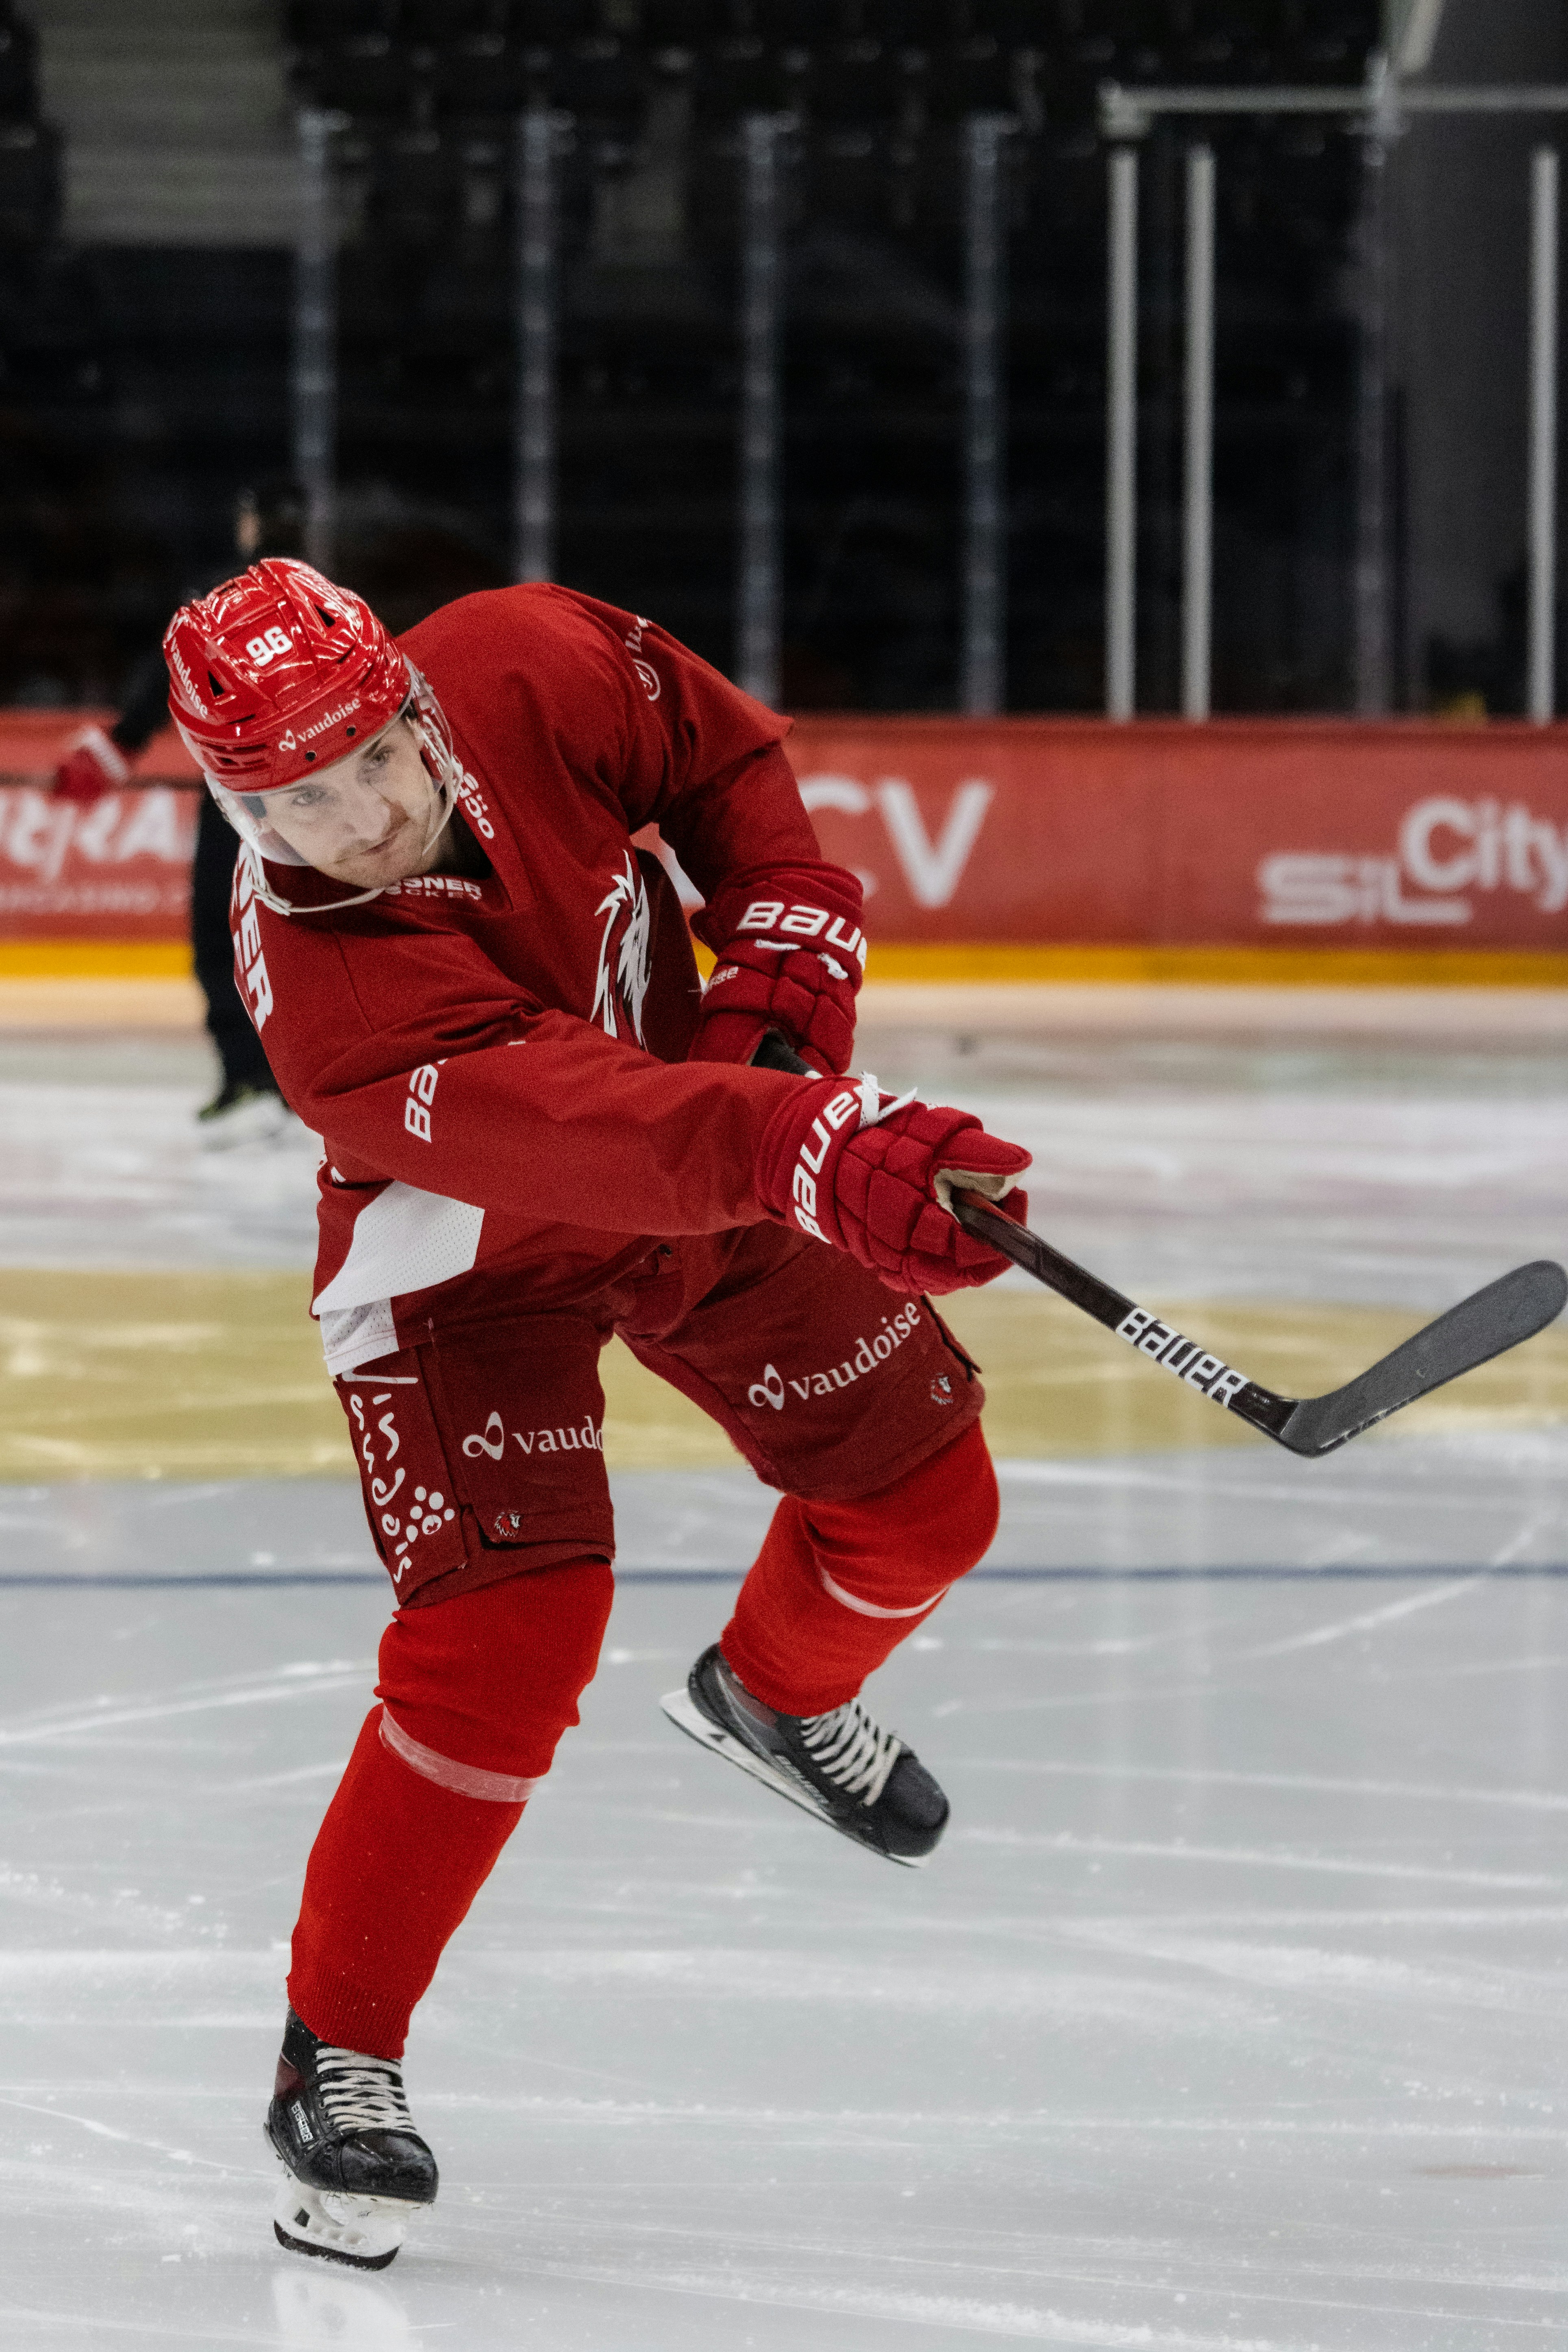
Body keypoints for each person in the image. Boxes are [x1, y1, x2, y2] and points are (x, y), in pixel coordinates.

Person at [163, 556, 1032, 2271]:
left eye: (368, 766)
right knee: (508, 1643)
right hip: (468, 1273)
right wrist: (809, 1144)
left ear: (414, 702)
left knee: (931, 1507)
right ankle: (334, 2052)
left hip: (705, 1155)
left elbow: (718, 760)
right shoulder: (332, 1005)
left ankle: (777, 1699)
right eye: (287, 803)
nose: (348, 822)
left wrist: (781, 925)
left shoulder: (520, 658)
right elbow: (599, 1128)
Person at [54, 485, 306, 1144]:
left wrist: (120, 745)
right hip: (315, 791)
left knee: (221, 935)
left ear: (251, 524)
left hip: (242, 791)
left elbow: (173, 671)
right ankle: (298, 1081)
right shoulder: (330, 598)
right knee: (307, 936)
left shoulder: (222, 594)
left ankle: (252, 1076)